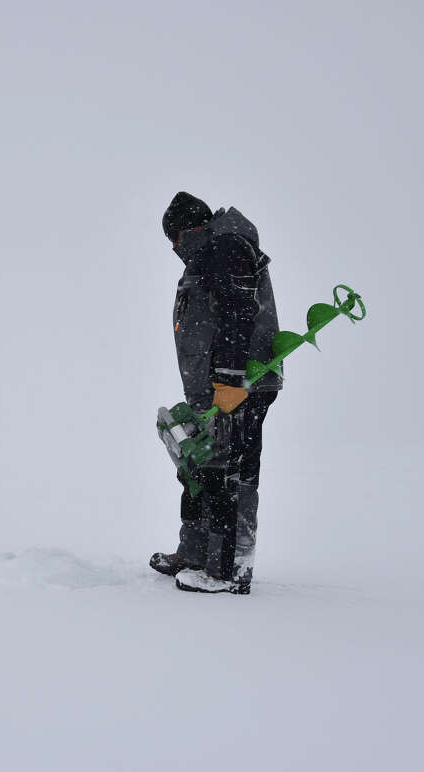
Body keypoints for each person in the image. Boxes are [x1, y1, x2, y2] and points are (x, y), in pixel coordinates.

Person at [150, 192, 281, 594]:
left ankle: (227, 570)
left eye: (175, 239)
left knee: (230, 474)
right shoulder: (210, 250)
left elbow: (238, 313)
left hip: (238, 386)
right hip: (213, 389)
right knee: (199, 468)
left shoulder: (227, 245)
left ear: (190, 229)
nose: (174, 249)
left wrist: (228, 379)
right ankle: (194, 554)